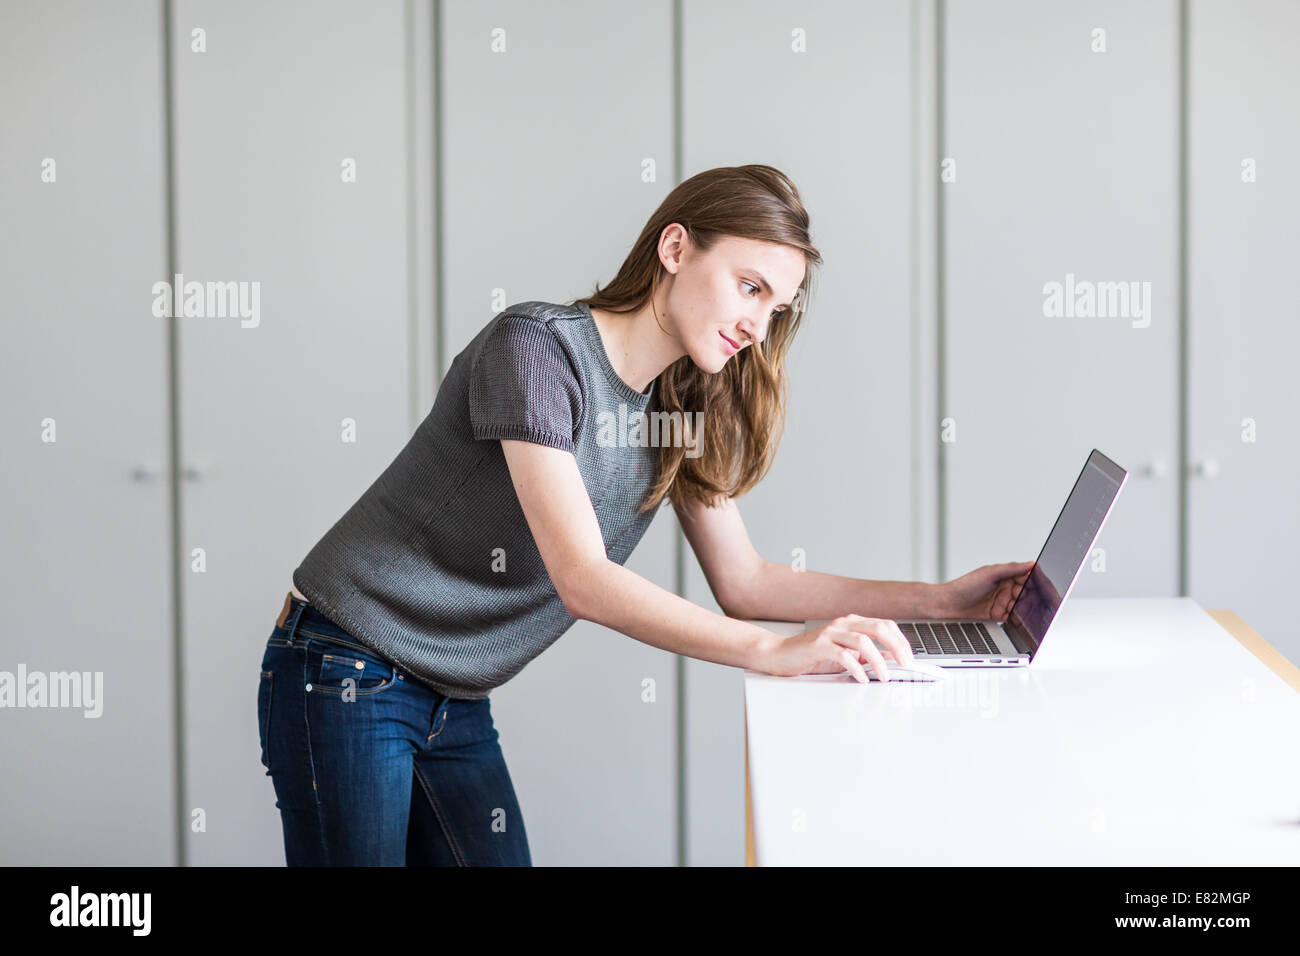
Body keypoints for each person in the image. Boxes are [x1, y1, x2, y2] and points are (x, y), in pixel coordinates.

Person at [256, 164, 1032, 866]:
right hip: (345, 665)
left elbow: (747, 580)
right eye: (749, 286)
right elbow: (584, 580)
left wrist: (937, 601)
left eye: (778, 307)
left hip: (452, 697)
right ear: (675, 249)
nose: (759, 327)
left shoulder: (679, 406)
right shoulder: (536, 350)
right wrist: (772, 653)